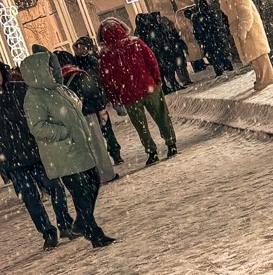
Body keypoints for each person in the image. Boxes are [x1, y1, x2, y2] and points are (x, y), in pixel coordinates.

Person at [20, 50, 115, 246]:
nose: (51, 69)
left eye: (51, 65)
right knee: (81, 191)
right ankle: (93, 233)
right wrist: (63, 132)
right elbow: (38, 127)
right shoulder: (34, 97)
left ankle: (81, 222)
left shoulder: (57, 88)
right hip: (62, 153)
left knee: (93, 182)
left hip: (79, 147)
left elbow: (75, 104)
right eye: (47, 67)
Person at [0, 57, 72, 249]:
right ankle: (47, 232)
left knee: (55, 188)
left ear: (2, 73)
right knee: (30, 198)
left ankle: (65, 224)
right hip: (13, 160)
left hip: (36, 152)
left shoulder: (21, 90)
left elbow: (40, 113)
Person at [96, 19, 176, 164]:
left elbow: (107, 79)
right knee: (161, 116)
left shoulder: (105, 54)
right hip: (148, 86)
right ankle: (171, 143)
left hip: (128, 94)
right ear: (122, 28)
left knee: (140, 125)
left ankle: (151, 151)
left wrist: (115, 99)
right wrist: (156, 79)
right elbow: (151, 61)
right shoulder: (136, 43)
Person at [212, 0, 273, 91]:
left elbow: (245, 11)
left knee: (258, 54)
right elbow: (227, 11)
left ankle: (267, 78)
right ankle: (261, 78)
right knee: (253, 55)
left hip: (249, 27)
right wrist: (223, 1)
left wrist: (243, 29)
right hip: (241, 26)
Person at [72, 36, 124, 165]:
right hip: (88, 103)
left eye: (83, 47)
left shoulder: (93, 61)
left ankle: (115, 152)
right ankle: (104, 157)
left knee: (106, 129)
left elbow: (99, 79)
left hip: (97, 102)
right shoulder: (76, 63)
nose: (80, 50)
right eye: (78, 48)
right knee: (96, 132)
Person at [134, 9, 191, 93]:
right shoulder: (149, 29)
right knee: (165, 70)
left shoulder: (147, 29)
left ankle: (169, 85)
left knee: (166, 70)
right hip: (159, 52)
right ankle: (169, 85)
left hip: (159, 52)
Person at [186, 0, 236, 77]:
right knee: (221, 52)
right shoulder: (210, 13)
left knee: (214, 55)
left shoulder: (198, 17)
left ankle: (219, 70)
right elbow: (216, 25)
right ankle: (227, 66)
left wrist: (200, 39)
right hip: (215, 37)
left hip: (208, 40)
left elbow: (197, 31)